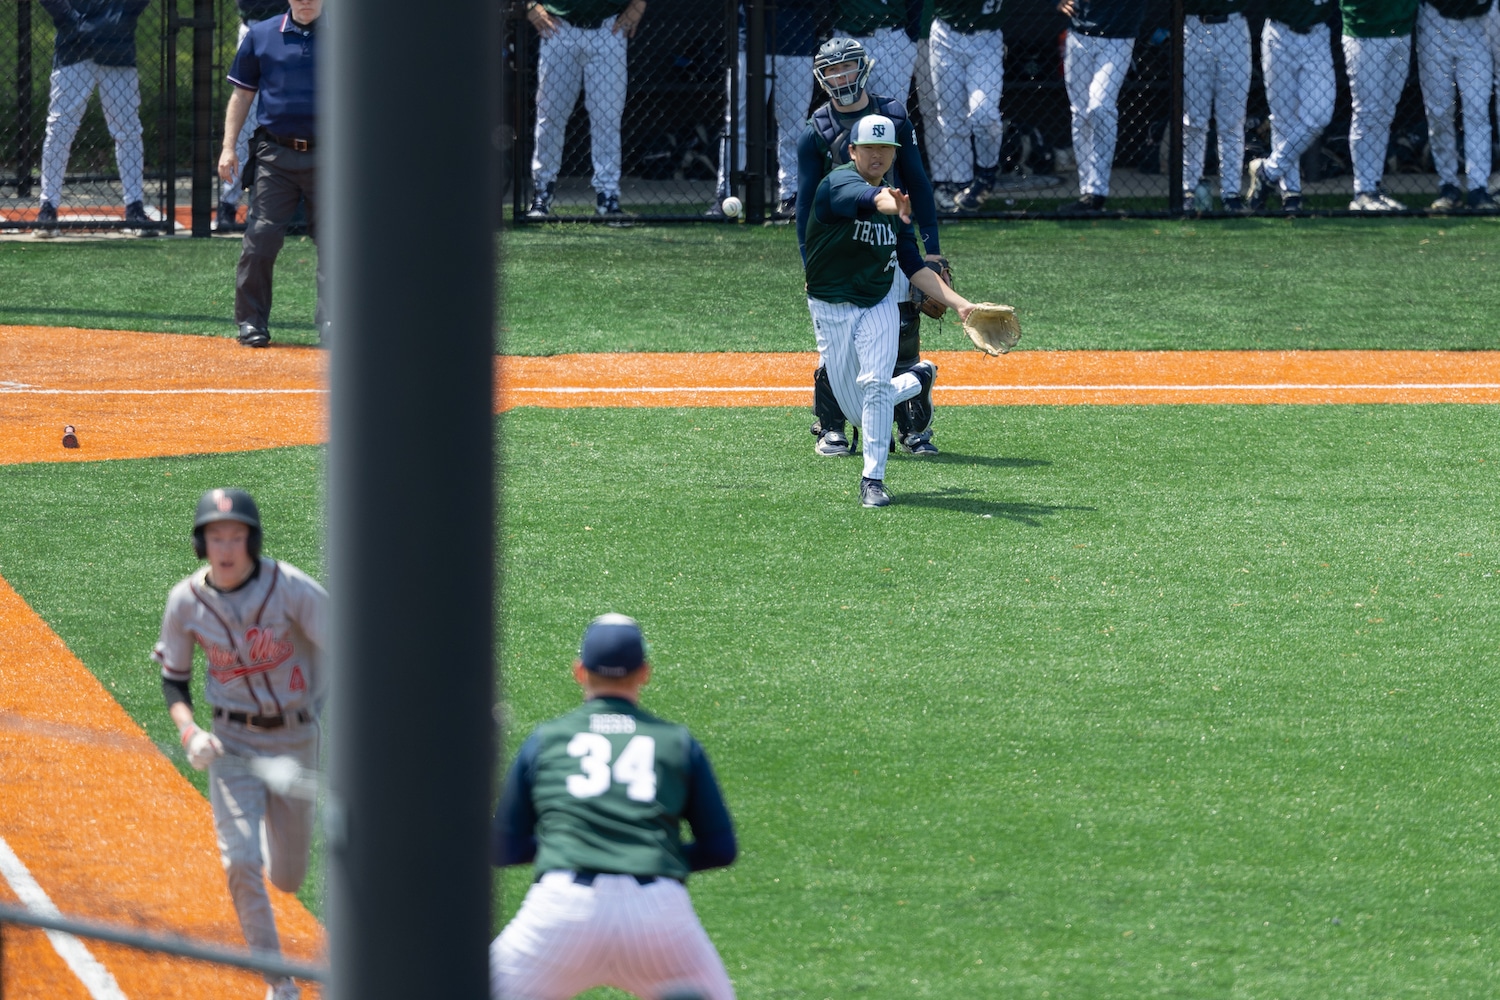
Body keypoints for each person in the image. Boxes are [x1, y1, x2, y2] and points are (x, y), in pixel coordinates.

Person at [490, 614, 738, 1000]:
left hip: (562, 912)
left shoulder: (547, 739)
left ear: (579, 671)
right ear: (644, 673)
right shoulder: (676, 742)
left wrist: (567, 847)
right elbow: (721, 848)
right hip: (657, 917)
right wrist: (649, 854)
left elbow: (503, 848)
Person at [152, 488, 327, 1000]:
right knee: (239, 863)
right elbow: (173, 680)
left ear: (251, 539)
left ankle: (273, 839)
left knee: (288, 879)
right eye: (215, 536)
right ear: (201, 543)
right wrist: (189, 732)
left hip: (296, 738)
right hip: (229, 744)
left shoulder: (288, 585)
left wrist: (322, 701)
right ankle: (279, 983)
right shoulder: (185, 601)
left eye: (235, 535)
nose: (226, 547)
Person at [804, 115, 975, 507]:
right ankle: (919, 378)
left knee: (876, 389)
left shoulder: (897, 204)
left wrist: (959, 303)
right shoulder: (838, 183)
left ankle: (873, 481)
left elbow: (913, 266)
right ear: (853, 151)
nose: (878, 154)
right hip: (831, 306)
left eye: (886, 148)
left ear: (894, 154)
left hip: (879, 302)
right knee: (861, 411)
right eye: (870, 148)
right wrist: (888, 203)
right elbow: (868, 199)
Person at [796, 37, 947, 459]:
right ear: (822, 78)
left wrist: (931, 248)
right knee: (835, 346)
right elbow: (806, 206)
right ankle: (831, 427)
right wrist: (810, 263)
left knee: (902, 337)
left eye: (848, 68)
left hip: (889, 241)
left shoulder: (895, 115)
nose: (841, 78)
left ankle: (913, 429)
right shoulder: (817, 130)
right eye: (832, 72)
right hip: (840, 254)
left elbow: (917, 183)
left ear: (864, 68)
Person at [220, 0, 321, 349]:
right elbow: (242, 94)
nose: (306, 1)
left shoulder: (352, 37)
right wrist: (228, 146)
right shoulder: (260, 34)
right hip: (274, 156)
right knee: (261, 239)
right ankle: (251, 322)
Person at [35, 0, 151, 237]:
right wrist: (71, 21)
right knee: (59, 129)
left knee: (128, 130)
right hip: (73, 48)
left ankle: (134, 207)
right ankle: (48, 207)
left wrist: (120, 17)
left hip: (117, 47)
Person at [523, 0, 647, 220]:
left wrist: (639, 2)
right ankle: (542, 191)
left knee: (608, 118)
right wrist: (530, 5)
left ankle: (608, 195)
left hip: (609, 28)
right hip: (559, 27)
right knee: (550, 115)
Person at [706, 0, 826, 221]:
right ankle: (726, 194)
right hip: (750, 42)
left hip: (797, 40)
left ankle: (791, 196)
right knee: (738, 122)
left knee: (794, 125)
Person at [1245, 0, 1336, 212]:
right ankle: (1291, 193)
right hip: (1279, 33)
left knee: (1319, 116)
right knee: (1283, 118)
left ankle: (1267, 172)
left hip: (1317, 33)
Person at [1056, 0, 1145, 213]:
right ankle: (1087, 190)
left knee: (1100, 106)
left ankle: (1097, 192)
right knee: (1080, 114)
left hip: (1119, 36)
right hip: (1079, 35)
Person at [216, 0, 291, 233]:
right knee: (246, 125)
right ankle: (228, 203)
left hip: (301, 27)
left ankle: (287, 206)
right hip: (257, 26)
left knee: (296, 117)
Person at [1415, 0, 1496, 210]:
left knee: (1477, 110)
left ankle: (1478, 188)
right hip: (1435, 22)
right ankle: (1448, 185)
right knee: (1439, 112)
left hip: (1477, 26)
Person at [929, 0, 1007, 213]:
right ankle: (961, 186)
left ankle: (986, 175)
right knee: (951, 119)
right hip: (946, 36)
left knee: (984, 114)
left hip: (986, 37)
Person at [1340, 0, 1418, 209]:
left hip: (1400, 28)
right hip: (1365, 30)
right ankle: (1362, 191)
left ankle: (1373, 185)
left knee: (1385, 113)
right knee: (1367, 111)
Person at [1181, 0, 1253, 211]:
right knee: (1194, 119)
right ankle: (1190, 188)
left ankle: (1231, 193)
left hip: (1233, 25)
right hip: (1195, 25)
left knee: (1232, 121)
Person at [832, 0, 919, 102]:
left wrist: (913, 35)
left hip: (889, 37)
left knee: (890, 111)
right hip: (844, 38)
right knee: (847, 110)